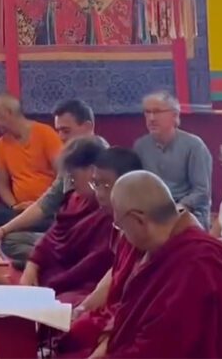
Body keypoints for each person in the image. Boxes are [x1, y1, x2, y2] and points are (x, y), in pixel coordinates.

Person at [101, 171, 222, 358]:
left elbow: (159, 350)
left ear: (138, 219)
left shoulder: (197, 265)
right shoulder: (165, 247)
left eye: (121, 226)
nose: (123, 234)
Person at [0, 98, 102, 265]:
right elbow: (46, 203)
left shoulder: (106, 163)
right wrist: (3, 229)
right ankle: (52, 261)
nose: (61, 138)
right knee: (10, 240)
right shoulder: (70, 162)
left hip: (87, 238)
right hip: (62, 233)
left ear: (87, 127)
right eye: (59, 131)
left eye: (66, 131)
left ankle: (51, 262)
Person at [53, 147, 147, 358]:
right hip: (117, 308)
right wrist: (85, 306)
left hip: (132, 315)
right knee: (74, 322)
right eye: (96, 184)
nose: (100, 193)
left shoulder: (145, 226)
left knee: (79, 332)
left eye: (106, 185)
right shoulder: (121, 222)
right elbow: (116, 271)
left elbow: (140, 298)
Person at [16, 137, 112, 301]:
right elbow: (53, 235)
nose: (72, 184)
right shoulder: (75, 199)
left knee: (70, 306)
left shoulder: (109, 208)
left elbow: (93, 264)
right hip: (58, 272)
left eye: (74, 178)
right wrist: (32, 264)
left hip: (82, 283)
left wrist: (53, 285)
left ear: (92, 171)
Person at [0, 94, 63, 248]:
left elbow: (62, 175)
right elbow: (3, 186)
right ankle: (26, 225)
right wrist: (14, 206)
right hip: (16, 210)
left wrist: (39, 205)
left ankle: (23, 226)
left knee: (56, 217)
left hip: (47, 208)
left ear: (9, 113)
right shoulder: (0, 145)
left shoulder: (45, 133)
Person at [132, 92, 213, 226]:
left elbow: (202, 192)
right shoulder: (141, 146)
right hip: (154, 212)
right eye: (147, 112)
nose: (151, 118)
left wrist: (176, 209)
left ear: (175, 115)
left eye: (157, 112)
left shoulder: (194, 146)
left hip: (187, 212)